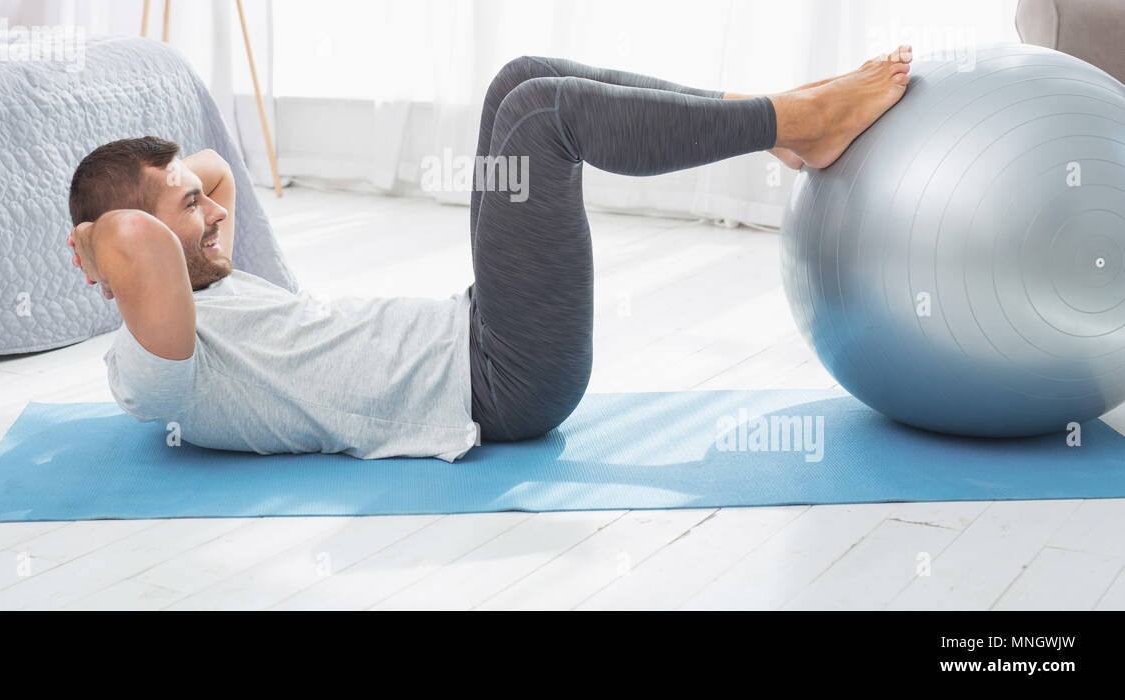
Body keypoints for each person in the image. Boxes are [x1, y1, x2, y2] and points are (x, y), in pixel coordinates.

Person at [66, 45, 913, 462]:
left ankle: (771, 117)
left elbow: (196, 178)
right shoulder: (155, 364)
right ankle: (792, 121)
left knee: (519, 81)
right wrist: (101, 240)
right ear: (124, 258)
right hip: (504, 382)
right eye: (192, 208)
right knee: (546, 118)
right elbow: (137, 238)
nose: (218, 208)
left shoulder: (206, 278)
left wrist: (166, 198)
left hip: (484, 329)